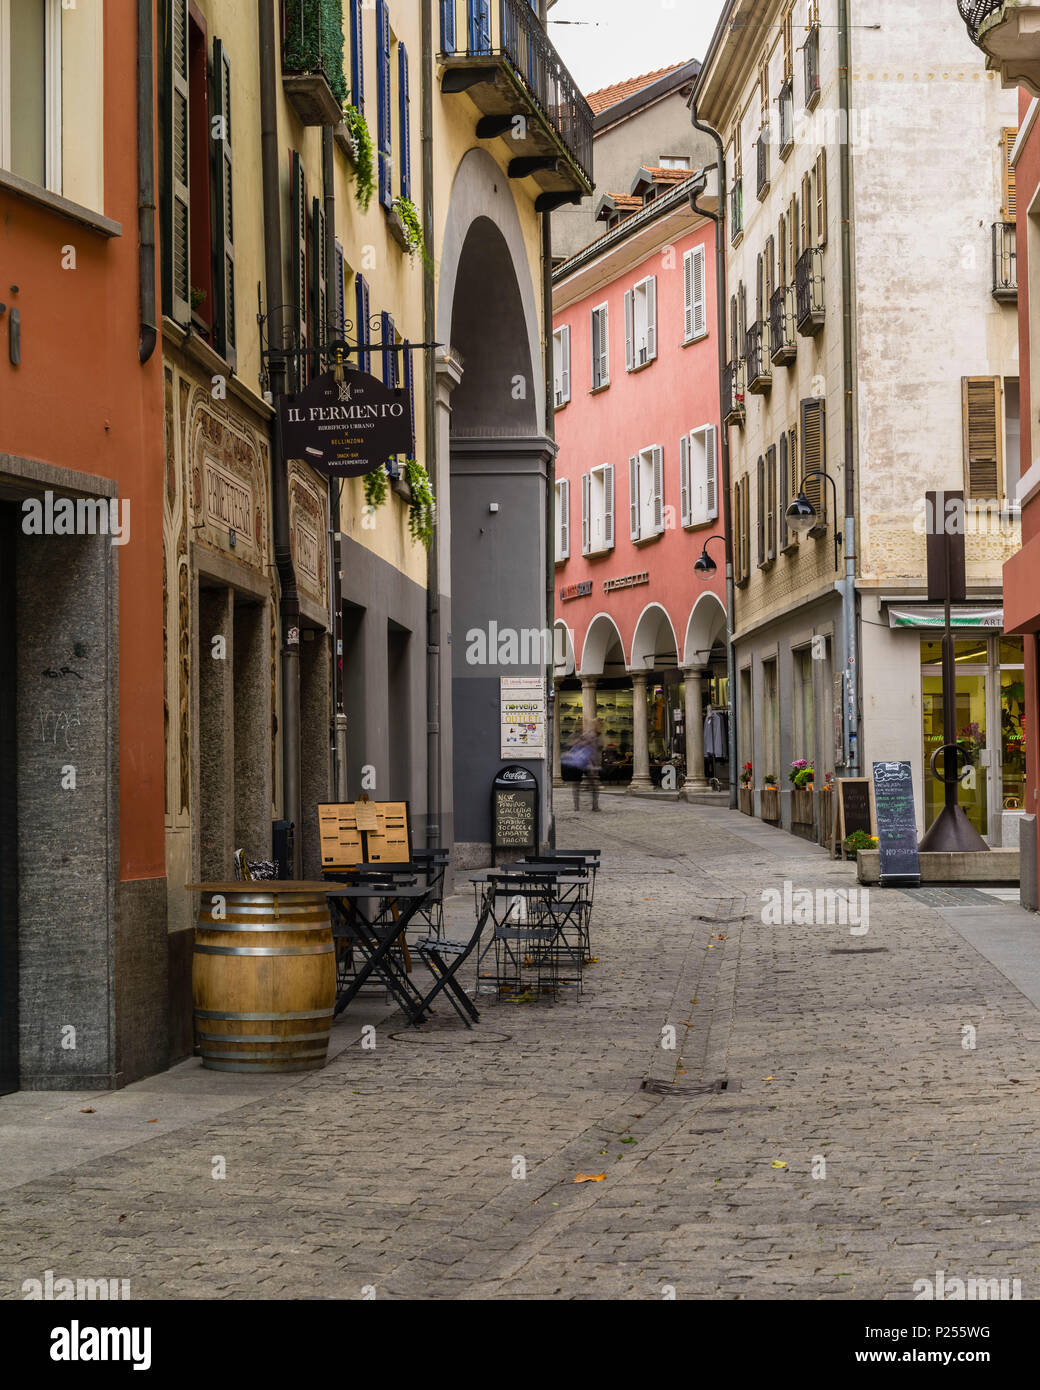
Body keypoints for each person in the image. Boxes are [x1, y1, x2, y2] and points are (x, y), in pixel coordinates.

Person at [566, 724, 601, 812]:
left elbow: (594, 752)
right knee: (576, 785)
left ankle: (594, 806)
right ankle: (577, 806)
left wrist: (595, 764)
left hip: (586, 764)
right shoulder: (578, 736)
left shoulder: (591, 736)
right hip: (577, 763)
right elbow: (569, 744)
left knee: (593, 785)